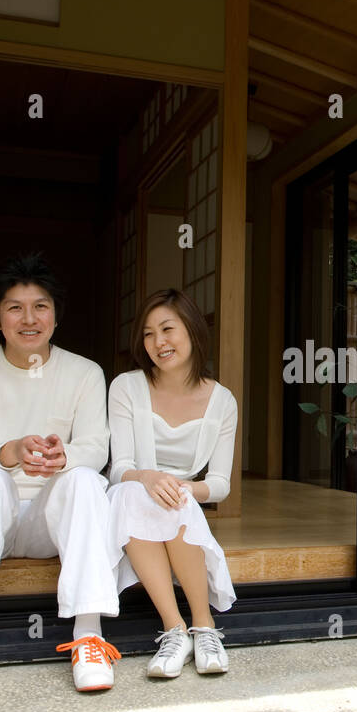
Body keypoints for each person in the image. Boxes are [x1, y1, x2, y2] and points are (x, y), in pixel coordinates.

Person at [0, 254, 121, 701]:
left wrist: (62, 457)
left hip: (51, 522)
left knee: (88, 479)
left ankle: (88, 636)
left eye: (41, 306)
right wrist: (9, 452)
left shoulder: (85, 373)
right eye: (14, 307)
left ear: (56, 316)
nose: (28, 318)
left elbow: (96, 448)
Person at [107, 288, 238, 678]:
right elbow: (119, 468)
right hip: (133, 490)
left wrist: (182, 489)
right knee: (135, 493)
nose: (158, 342)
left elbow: (219, 483)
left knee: (176, 500)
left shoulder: (223, 401)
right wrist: (149, 478)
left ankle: (204, 625)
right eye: (148, 334)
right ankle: (175, 629)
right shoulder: (126, 387)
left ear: (193, 332)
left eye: (167, 329)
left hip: (183, 501)